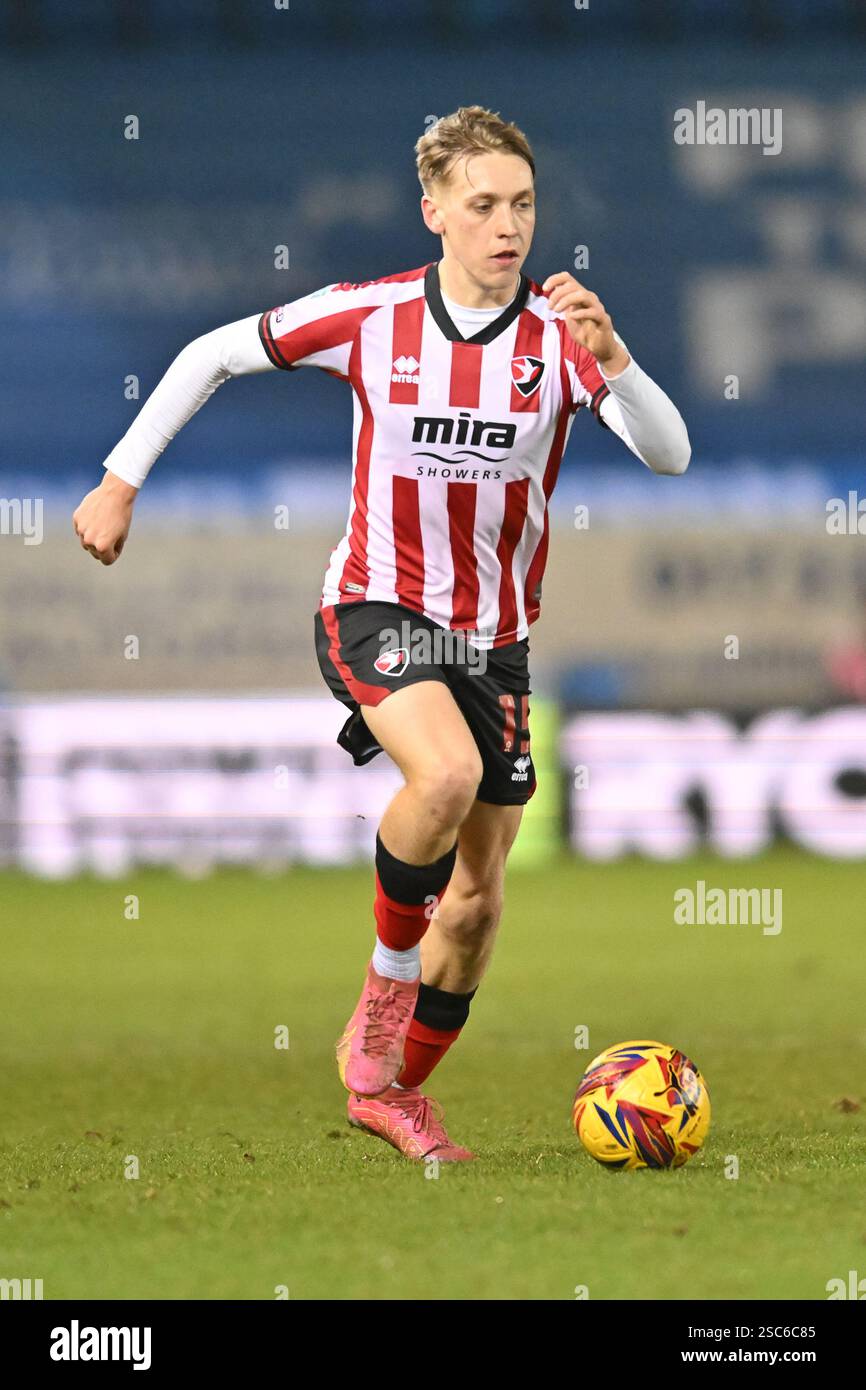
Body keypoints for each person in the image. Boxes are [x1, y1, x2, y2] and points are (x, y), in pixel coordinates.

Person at [73, 105, 690, 1163]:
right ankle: (379, 995)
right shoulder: (372, 314)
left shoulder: (557, 337)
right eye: (484, 205)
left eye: (523, 205)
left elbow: (669, 455)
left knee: (477, 904)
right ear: (434, 212)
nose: (507, 226)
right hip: (373, 608)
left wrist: (618, 355)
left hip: (495, 642)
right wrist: (119, 478)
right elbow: (212, 352)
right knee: (441, 778)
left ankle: (390, 1090)